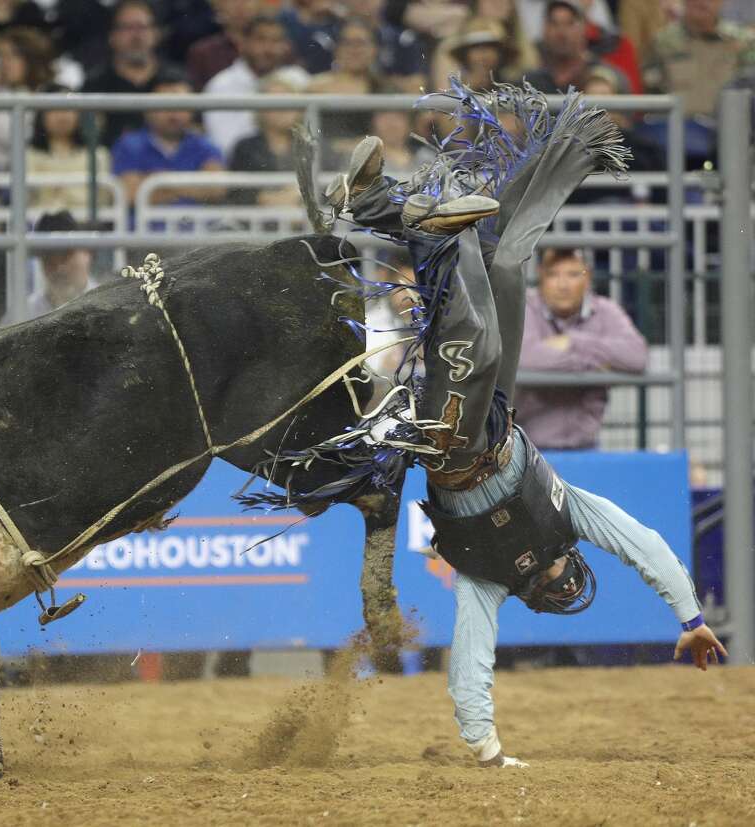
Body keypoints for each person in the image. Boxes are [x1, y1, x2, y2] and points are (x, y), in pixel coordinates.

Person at [289, 82, 725, 767]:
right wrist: (691, 618)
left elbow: (470, 658)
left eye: (556, 591)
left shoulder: (487, 577)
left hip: (448, 440)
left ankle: (397, 211)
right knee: (510, 261)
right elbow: (645, 545)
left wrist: (485, 745)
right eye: (567, 579)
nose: (557, 580)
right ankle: (405, 194)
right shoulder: (568, 514)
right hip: (499, 415)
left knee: (477, 333)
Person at [514, 249, 648, 450]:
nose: (563, 284)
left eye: (573, 274)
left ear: (588, 277)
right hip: (526, 448)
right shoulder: (524, 307)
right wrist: (597, 363)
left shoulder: (605, 310)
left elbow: (637, 356)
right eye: (553, 274)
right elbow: (524, 356)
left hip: (587, 447)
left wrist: (572, 342)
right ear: (541, 276)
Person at [111, 70, 226, 208]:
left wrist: (155, 182)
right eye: (165, 105)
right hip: (143, 228)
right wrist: (194, 185)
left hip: (197, 228)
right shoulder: (128, 145)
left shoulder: (206, 145)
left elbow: (217, 190)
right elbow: (131, 195)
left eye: (181, 105)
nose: (174, 113)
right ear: (147, 108)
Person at [203, 15, 306, 162]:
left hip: (295, 167)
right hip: (243, 170)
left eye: (276, 41)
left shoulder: (298, 79)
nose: (269, 49)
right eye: (261, 40)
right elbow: (225, 146)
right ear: (243, 43)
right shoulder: (221, 86)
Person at [82, 0, 175, 148]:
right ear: (112, 36)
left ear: (156, 34)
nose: (136, 36)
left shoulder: (177, 82)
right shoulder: (94, 85)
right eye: (127, 28)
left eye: (142, 27)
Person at [642, 0, 755, 120]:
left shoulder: (745, 43)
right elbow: (649, 90)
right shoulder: (662, 42)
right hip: (679, 129)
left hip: (733, 128)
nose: (702, 2)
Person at [307, 17, 395, 159]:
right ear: (337, 48)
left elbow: (393, 134)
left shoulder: (385, 89)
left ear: (374, 49)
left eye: (361, 43)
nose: (354, 50)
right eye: (347, 43)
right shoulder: (315, 87)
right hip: (323, 160)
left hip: (371, 161)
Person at [0, 27, 57, 171]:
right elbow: (7, 136)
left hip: (41, 172)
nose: (4, 63)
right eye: (0, 57)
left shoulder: (51, 92)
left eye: (12, 56)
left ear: (31, 58)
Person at [228, 69, 313, 207]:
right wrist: (264, 198)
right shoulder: (245, 147)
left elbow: (329, 189)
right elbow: (236, 192)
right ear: (260, 109)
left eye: (288, 101)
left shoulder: (312, 146)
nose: (283, 108)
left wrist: (297, 199)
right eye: (275, 101)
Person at [2, 210, 100, 325]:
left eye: (65, 256)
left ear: (87, 253)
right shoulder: (23, 314)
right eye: (48, 258)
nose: (58, 267)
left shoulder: (108, 305)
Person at [27, 83, 113, 212]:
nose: (62, 116)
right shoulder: (28, 156)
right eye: (54, 109)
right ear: (41, 116)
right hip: (40, 228)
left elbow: (104, 200)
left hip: (86, 227)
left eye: (68, 108)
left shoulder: (98, 155)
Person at [525, 1, 628, 94]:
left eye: (570, 23)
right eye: (554, 23)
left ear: (584, 29)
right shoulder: (529, 81)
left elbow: (625, 113)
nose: (561, 32)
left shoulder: (609, 78)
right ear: (544, 31)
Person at [187, 0, 259, 90]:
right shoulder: (202, 51)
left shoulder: (276, 48)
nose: (240, 6)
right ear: (219, 6)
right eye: (233, 1)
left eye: (246, 0)